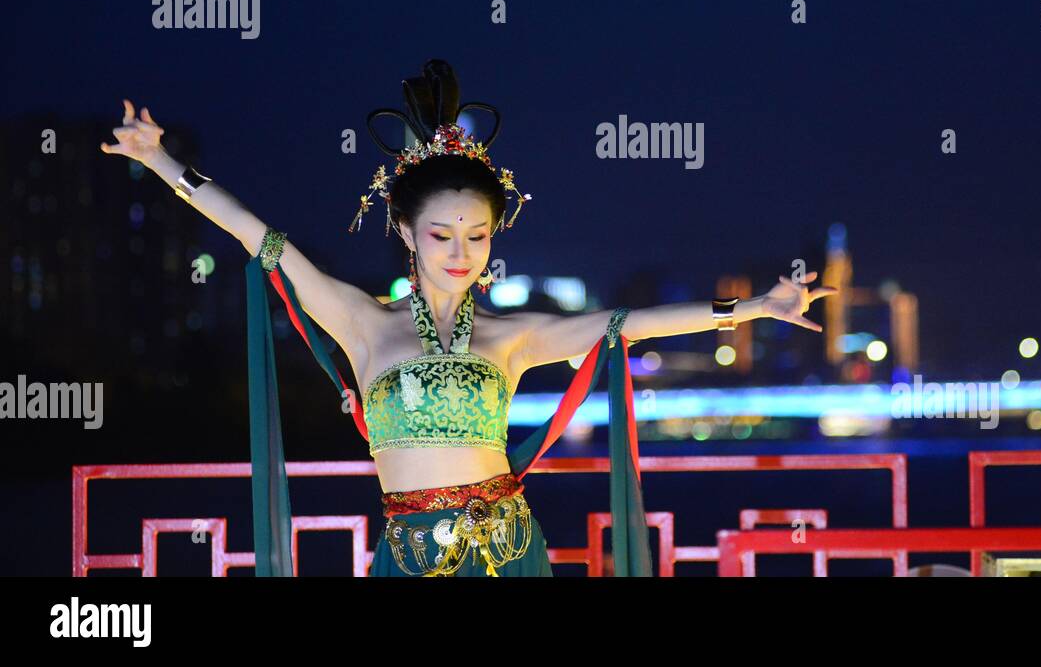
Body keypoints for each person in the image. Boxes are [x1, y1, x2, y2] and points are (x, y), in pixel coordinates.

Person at [100, 58, 835, 576]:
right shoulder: (360, 320)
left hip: (511, 553)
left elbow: (632, 322)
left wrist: (756, 307)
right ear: (406, 233)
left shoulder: (512, 336)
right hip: (412, 558)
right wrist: (161, 161)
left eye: (477, 235)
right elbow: (254, 235)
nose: (461, 251)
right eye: (442, 234)